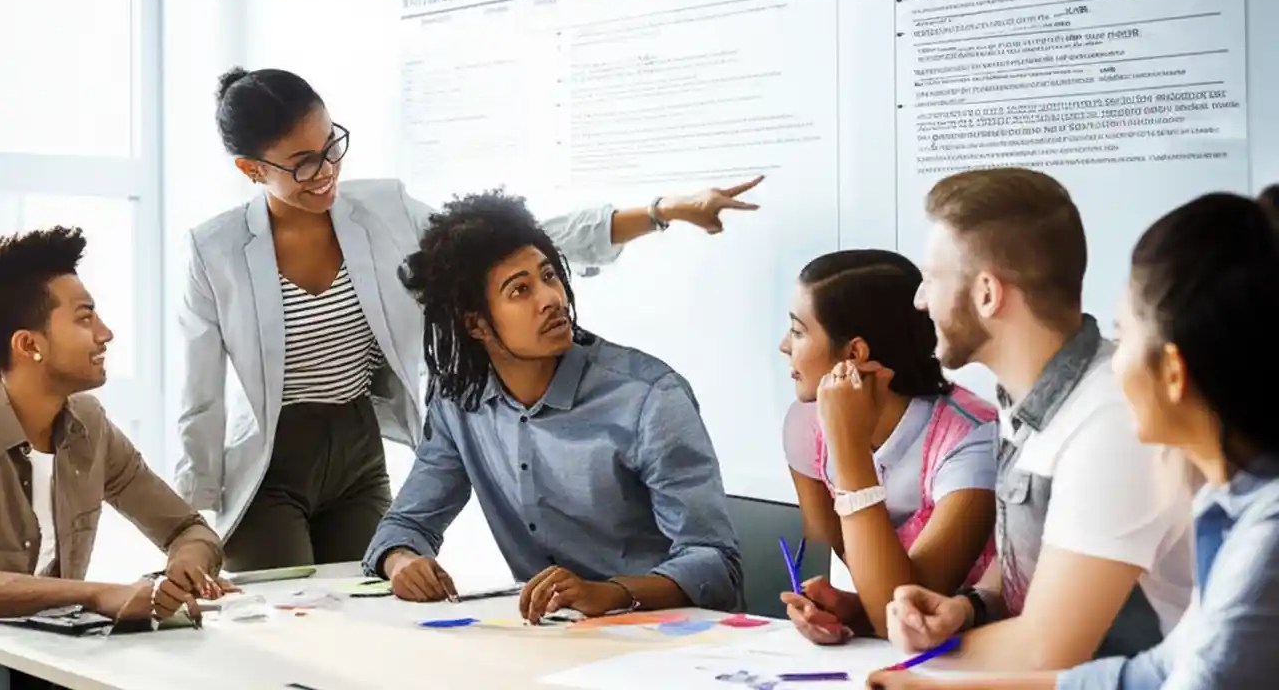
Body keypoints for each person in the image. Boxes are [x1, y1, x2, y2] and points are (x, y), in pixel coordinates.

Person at [176, 66, 764, 571]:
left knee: (363, 614)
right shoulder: (216, 248)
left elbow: (507, 244)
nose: (327, 169)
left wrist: (661, 212)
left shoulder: (381, 209)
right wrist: (189, 520)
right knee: (282, 626)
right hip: (274, 455)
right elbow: (199, 390)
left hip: (357, 447)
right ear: (252, 170)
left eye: (332, 145)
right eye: (303, 163)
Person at [868, 193, 1279, 689]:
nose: (918, 299)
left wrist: (934, 678)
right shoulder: (1228, 505)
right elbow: (1154, 673)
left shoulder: (1113, 422)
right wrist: (968, 611)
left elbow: (1051, 651)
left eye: (1124, 336)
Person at [362, 189, 742, 622]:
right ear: (475, 324)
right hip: (555, 642)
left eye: (549, 276)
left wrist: (609, 594)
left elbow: (715, 565)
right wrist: (403, 562)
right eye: (520, 290)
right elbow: (406, 526)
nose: (551, 299)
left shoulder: (649, 396)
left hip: (672, 641)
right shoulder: (459, 401)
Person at [0, 227, 228, 625]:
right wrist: (99, 594)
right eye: (85, 318)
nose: (105, 334)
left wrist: (184, 569)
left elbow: (188, 528)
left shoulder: (89, 425)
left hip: (49, 660)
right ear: (29, 345)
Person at [775, 250, 997, 641]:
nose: (783, 346)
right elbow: (879, 605)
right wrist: (847, 610)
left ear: (854, 354)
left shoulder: (972, 439)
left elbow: (900, 612)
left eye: (797, 331)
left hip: (983, 658)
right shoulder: (804, 426)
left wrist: (848, 449)